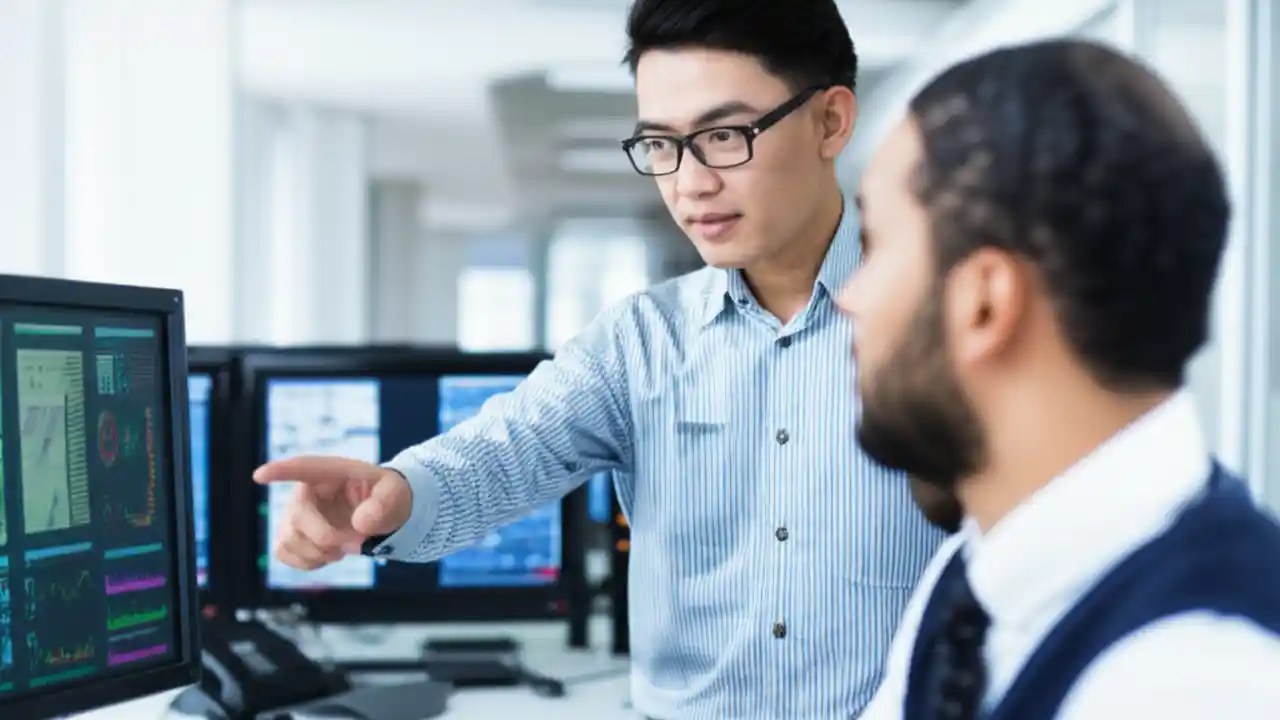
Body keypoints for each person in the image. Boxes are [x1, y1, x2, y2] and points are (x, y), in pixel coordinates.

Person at [252, 1, 944, 718]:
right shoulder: (641, 341)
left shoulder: (953, 324)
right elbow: (503, 453)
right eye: (662, 146)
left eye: (724, 134)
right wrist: (394, 495)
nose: (690, 182)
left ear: (831, 121)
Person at [838, 38, 1280, 719]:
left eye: (874, 246)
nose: (849, 298)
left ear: (984, 301)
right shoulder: (967, 584)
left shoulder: (1197, 680)